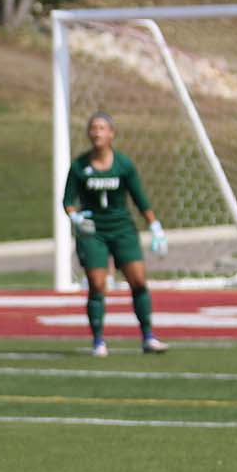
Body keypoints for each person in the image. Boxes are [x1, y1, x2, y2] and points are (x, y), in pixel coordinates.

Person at [62, 112, 170, 357]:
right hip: (93, 233)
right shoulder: (79, 166)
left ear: (111, 133)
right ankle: (98, 341)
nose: (97, 132)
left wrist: (155, 227)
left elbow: (140, 198)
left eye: (102, 128)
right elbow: (67, 201)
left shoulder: (123, 164)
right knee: (97, 285)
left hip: (122, 229)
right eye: (93, 128)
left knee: (139, 281)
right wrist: (76, 217)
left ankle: (148, 337)